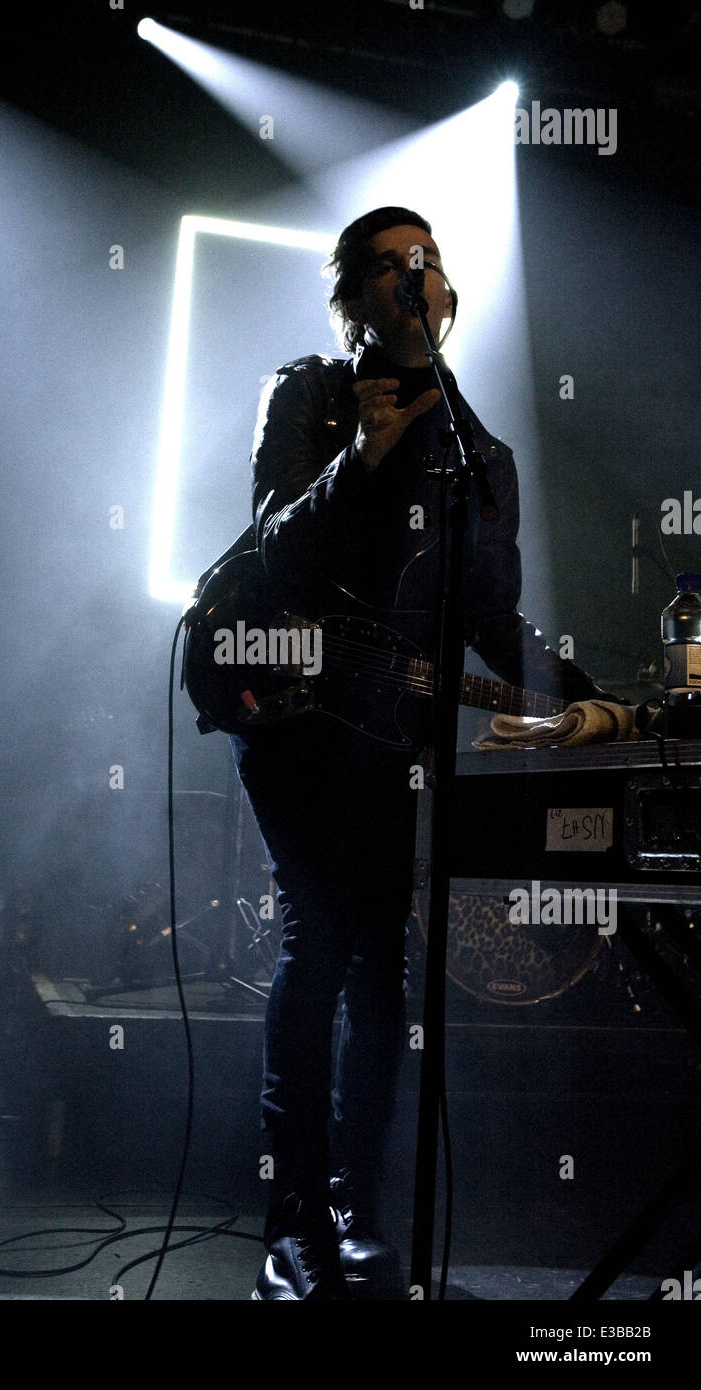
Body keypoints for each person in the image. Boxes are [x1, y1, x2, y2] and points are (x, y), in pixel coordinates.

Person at [228, 206, 613, 1300]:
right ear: (354, 295)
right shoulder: (307, 393)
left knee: (381, 970)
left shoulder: (477, 453)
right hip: (297, 720)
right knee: (315, 948)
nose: (415, 275)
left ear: (444, 299)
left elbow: (493, 615)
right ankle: (290, 1225)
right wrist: (360, 457)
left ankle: (354, 1208)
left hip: (392, 740)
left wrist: (584, 699)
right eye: (391, 263)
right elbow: (272, 549)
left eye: (427, 261)